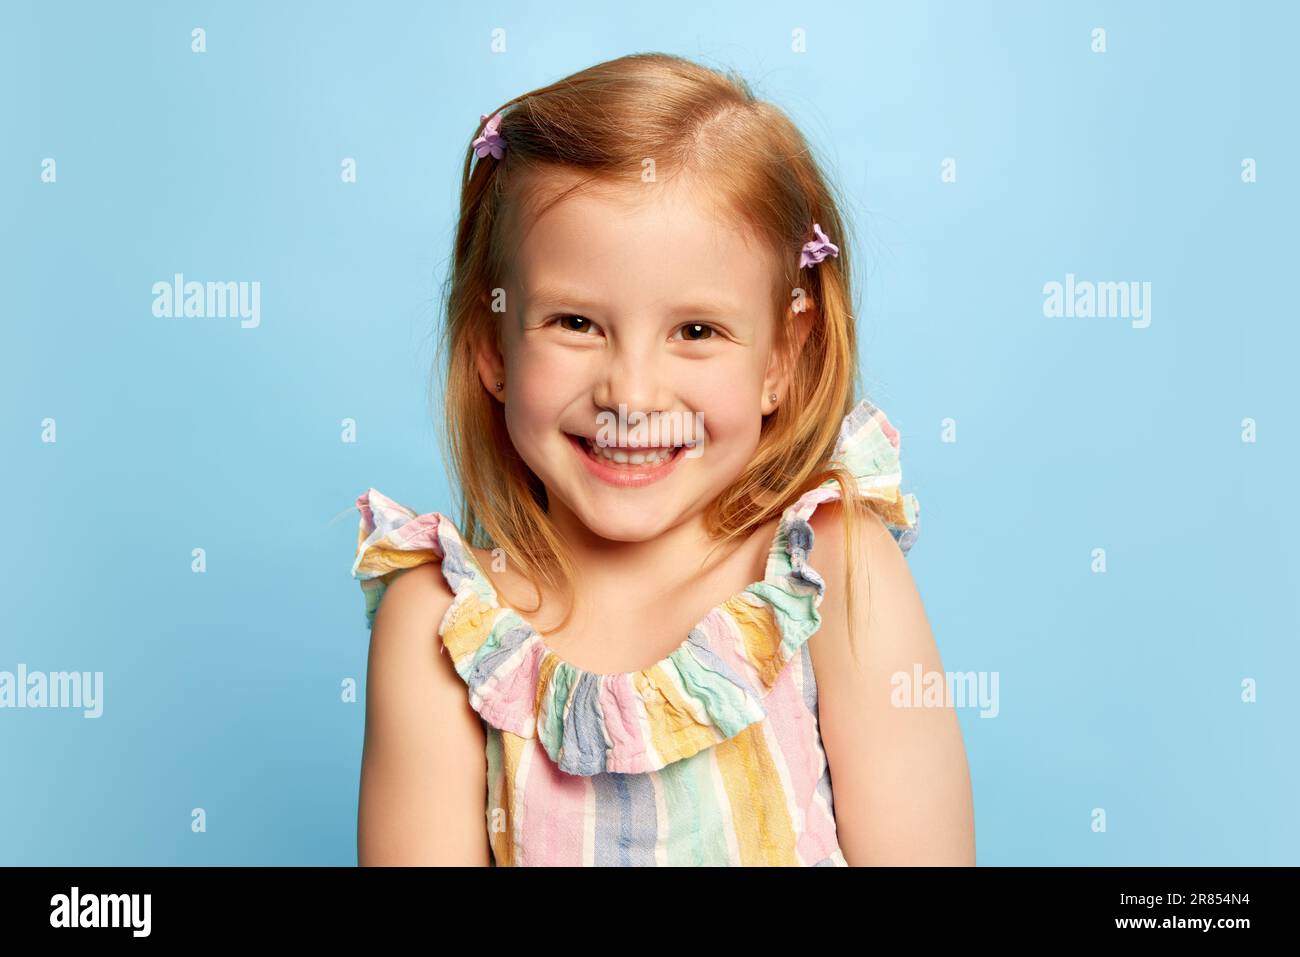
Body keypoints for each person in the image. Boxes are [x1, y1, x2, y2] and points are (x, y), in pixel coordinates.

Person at [349, 52, 974, 866]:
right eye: (575, 322)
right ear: (491, 347)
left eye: (696, 331)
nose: (632, 394)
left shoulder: (833, 575)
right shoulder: (438, 627)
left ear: (782, 358)